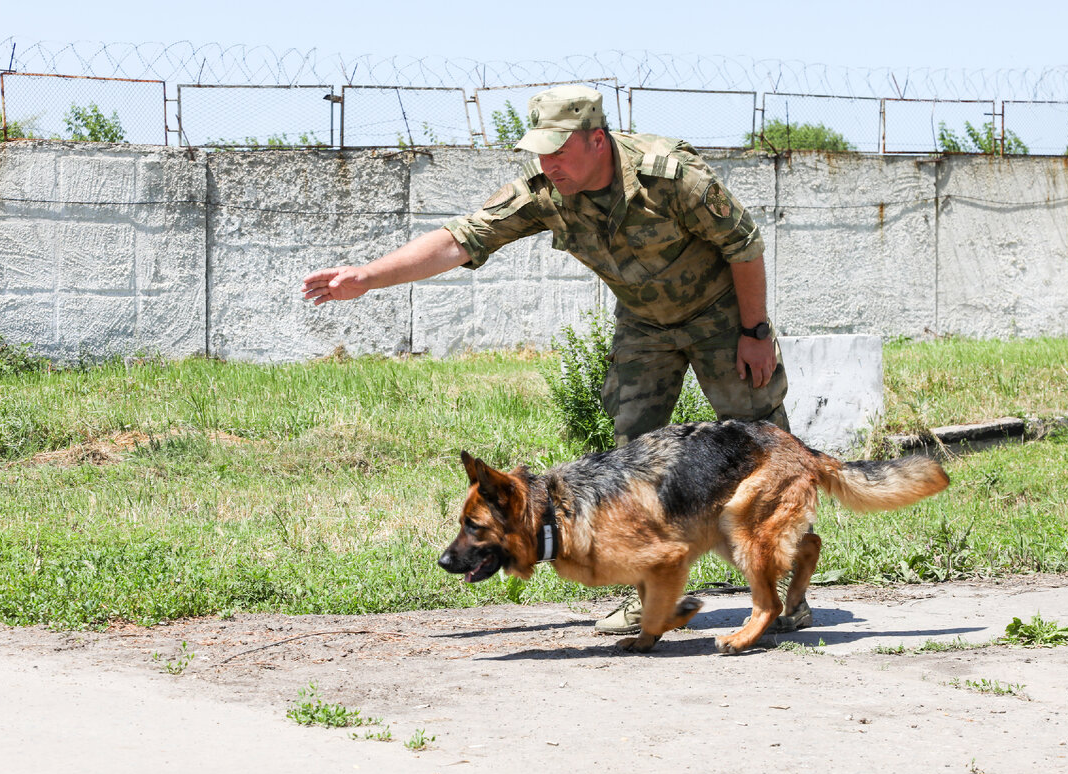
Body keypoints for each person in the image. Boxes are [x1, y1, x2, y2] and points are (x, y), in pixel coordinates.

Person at [301, 85, 813, 636]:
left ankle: (791, 588)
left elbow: (745, 245)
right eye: (540, 152)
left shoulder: (670, 174)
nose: (547, 164)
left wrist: (754, 329)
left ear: (597, 140)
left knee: (763, 442)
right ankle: (647, 593)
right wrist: (368, 277)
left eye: (558, 151)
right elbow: (461, 239)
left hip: (720, 314)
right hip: (646, 323)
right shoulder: (546, 192)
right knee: (632, 461)